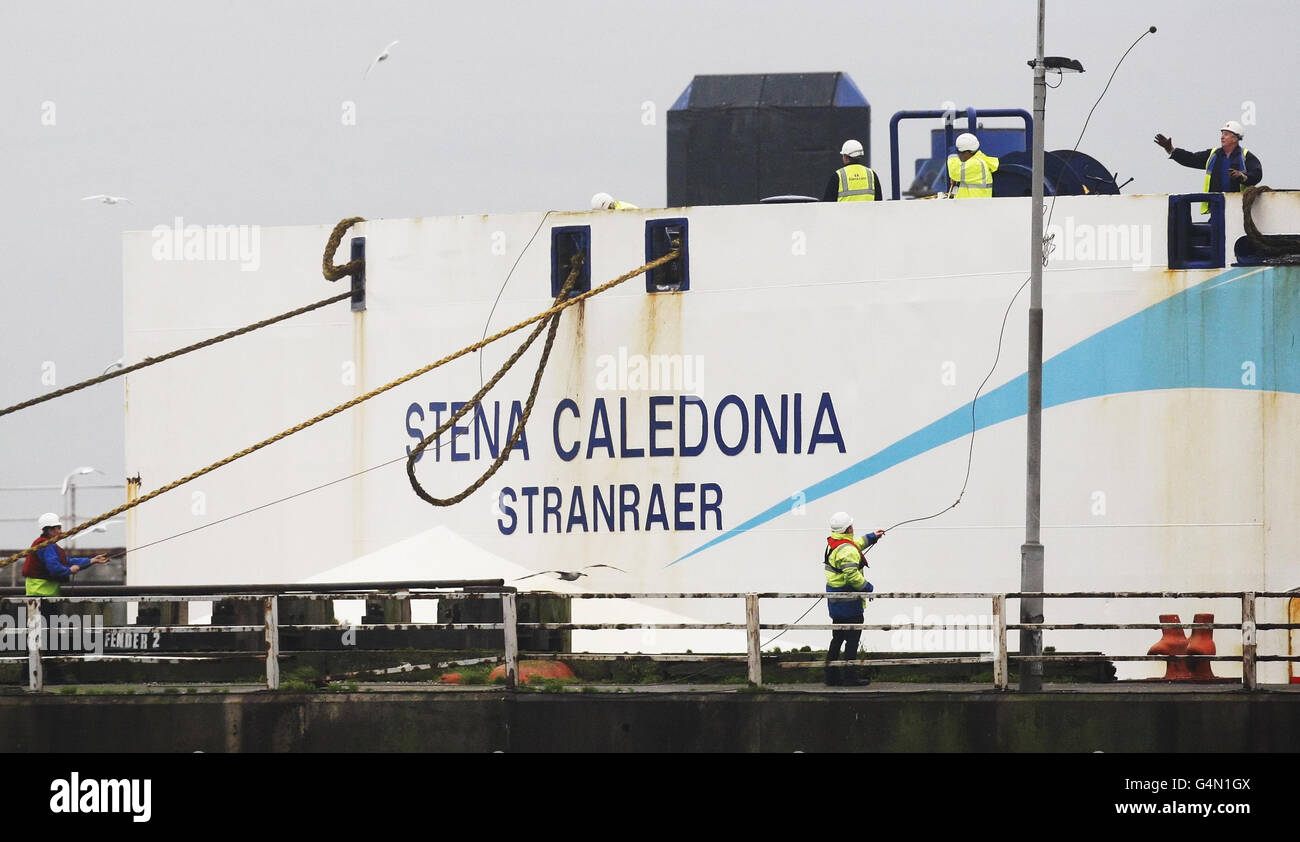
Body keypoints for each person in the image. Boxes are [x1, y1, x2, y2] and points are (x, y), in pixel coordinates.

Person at [823, 511, 884, 686]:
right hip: (849, 603)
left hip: (835, 602)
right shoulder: (847, 549)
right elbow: (852, 576)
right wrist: (868, 588)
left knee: (838, 637)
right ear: (848, 528)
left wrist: (873, 537)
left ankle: (831, 675)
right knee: (852, 639)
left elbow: (854, 545)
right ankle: (850, 677)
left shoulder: (835, 544)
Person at [1154, 120, 1262, 212]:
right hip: (1216, 207)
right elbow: (1191, 159)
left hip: (1238, 208)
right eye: (1222, 134)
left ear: (1235, 138)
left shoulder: (1245, 156)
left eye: (1226, 134)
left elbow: (1257, 173)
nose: (1222, 137)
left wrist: (1243, 177)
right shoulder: (1213, 155)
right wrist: (1170, 149)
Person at [23, 513, 108, 597]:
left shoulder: (45, 544)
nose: (61, 532)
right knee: (45, 611)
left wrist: (92, 560)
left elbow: (67, 561)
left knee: (29, 610)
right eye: (58, 528)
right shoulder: (47, 546)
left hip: (40, 592)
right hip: (41, 593)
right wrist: (69, 570)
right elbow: (54, 567)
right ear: (50, 530)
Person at [946, 133, 998, 198]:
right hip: (973, 205)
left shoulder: (976, 165)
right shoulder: (979, 161)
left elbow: (954, 172)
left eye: (959, 153)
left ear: (967, 152)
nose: (959, 156)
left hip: (973, 206)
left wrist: (952, 154)